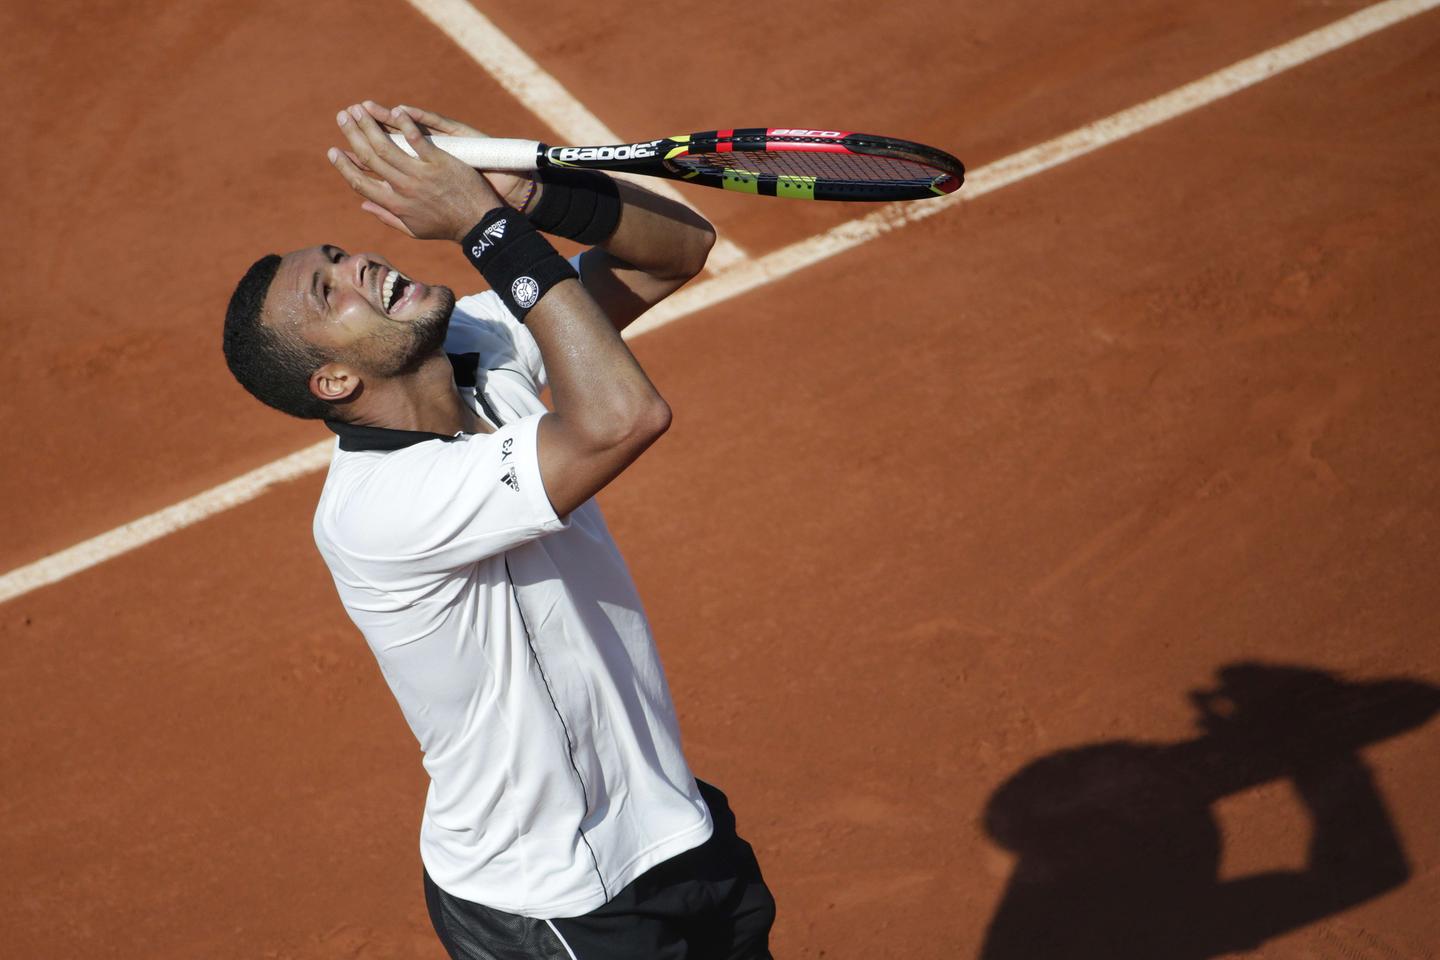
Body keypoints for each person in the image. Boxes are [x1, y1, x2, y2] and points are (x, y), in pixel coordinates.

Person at [222, 100, 775, 960]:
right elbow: (622, 417)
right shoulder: (378, 510)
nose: (359, 264)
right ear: (331, 382)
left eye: (339, 255)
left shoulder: (474, 347)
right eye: (328, 293)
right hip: (554, 900)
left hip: (672, 826)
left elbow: (680, 249)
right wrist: (482, 227)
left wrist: (527, 196)